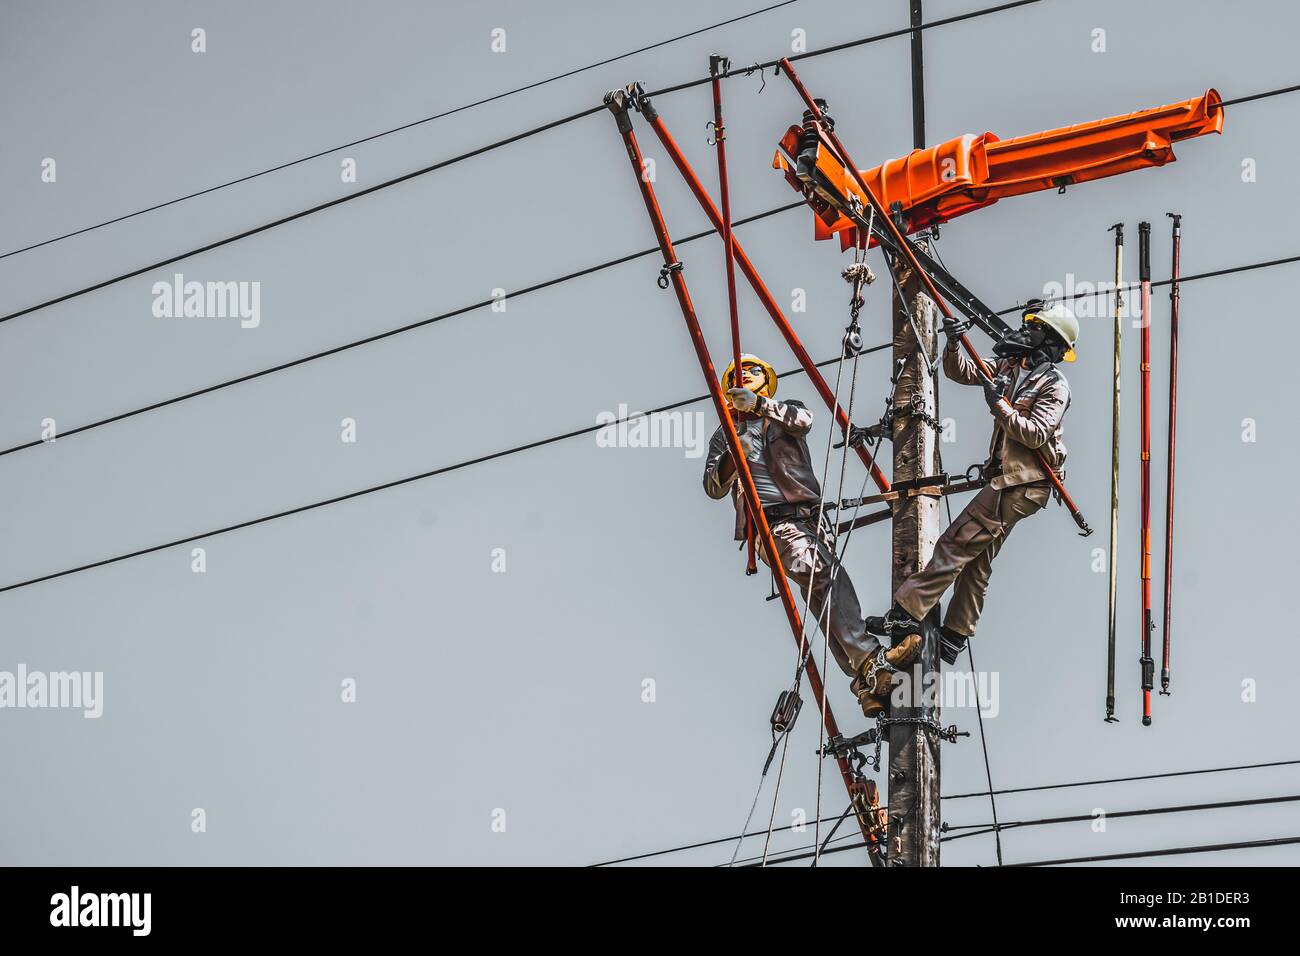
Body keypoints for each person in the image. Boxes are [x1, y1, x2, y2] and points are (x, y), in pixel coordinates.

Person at [863, 301, 1079, 701]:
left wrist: (998, 403)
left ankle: (906, 613)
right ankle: (954, 635)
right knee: (976, 562)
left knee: (955, 544)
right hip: (1009, 481)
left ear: (1049, 342)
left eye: (1034, 327)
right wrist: (951, 343)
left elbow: (1033, 434)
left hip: (1021, 484)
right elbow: (961, 372)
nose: (1024, 331)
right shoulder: (1014, 369)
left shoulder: (1054, 386)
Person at [703, 354, 919, 717]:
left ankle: (868, 678)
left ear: (765, 381)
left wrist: (758, 406)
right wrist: (732, 455)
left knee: (824, 597)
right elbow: (712, 485)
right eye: (736, 375)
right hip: (772, 525)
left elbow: (804, 421)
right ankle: (868, 656)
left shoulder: (783, 411)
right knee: (821, 573)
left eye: (752, 371)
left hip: (810, 520)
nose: (743, 376)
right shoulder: (725, 432)